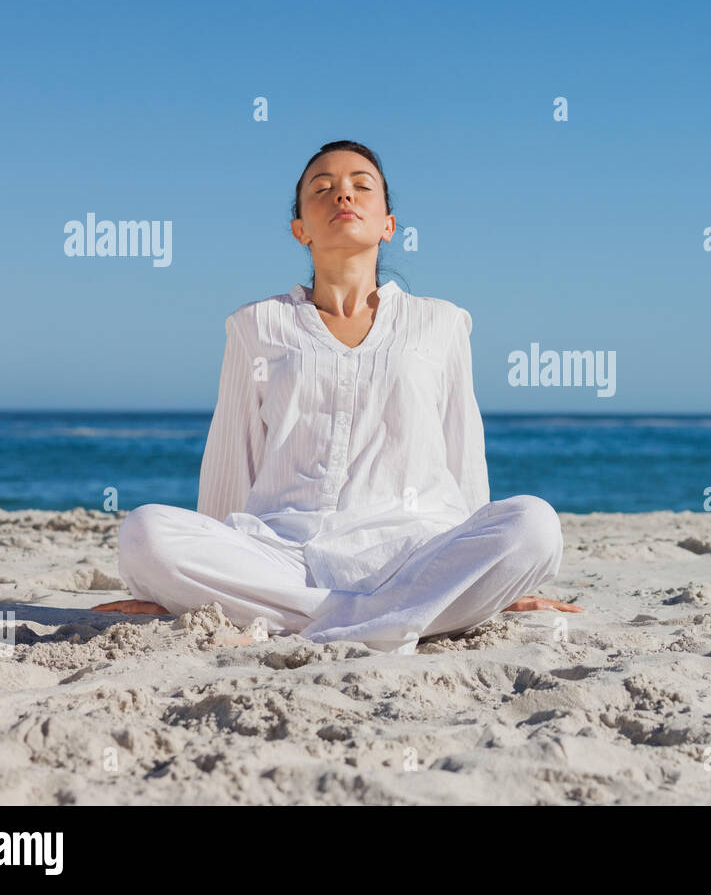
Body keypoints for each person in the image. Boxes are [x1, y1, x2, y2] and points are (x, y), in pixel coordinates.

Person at [93, 140, 581, 652]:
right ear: (300, 229)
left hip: (415, 551)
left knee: (535, 525)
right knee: (145, 532)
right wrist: (192, 580)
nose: (342, 195)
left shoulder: (441, 323)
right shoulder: (256, 324)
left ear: (388, 224)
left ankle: (316, 620)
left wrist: (481, 572)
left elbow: (463, 455)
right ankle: (391, 618)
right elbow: (231, 459)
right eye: (322, 189)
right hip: (286, 556)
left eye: (361, 186)